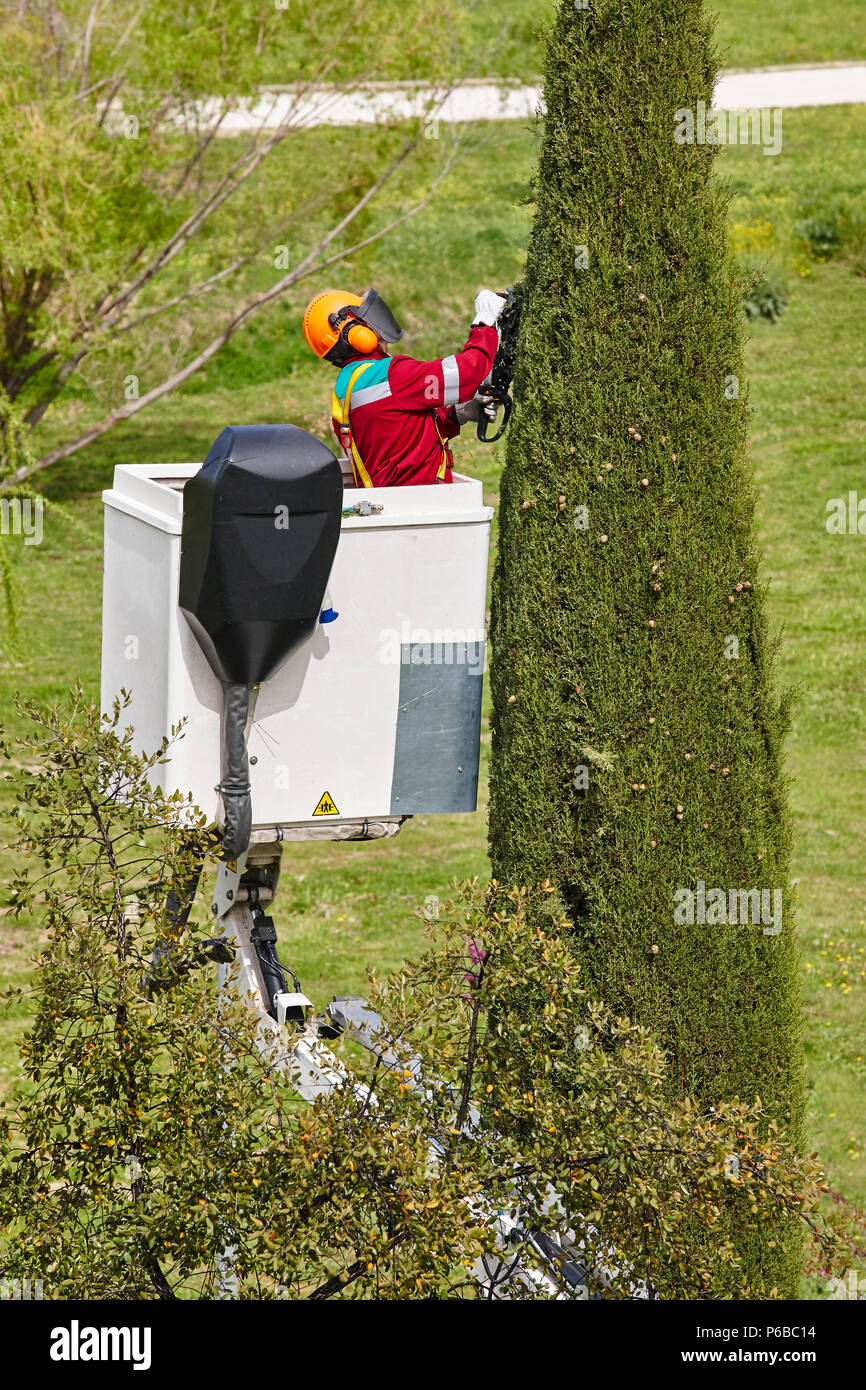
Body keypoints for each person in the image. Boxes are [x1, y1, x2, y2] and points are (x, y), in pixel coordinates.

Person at [301, 286, 507, 487]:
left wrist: (456, 414)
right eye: (366, 320)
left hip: (389, 503)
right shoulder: (391, 376)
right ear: (354, 334)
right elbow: (466, 373)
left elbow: (398, 435)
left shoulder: (346, 387)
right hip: (421, 503)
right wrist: (484, 322)